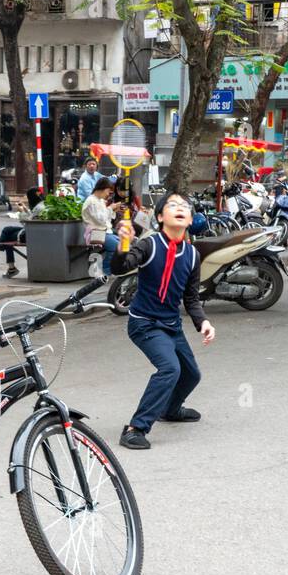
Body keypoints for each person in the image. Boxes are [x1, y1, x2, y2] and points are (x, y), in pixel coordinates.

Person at [111, 194, 215, 451]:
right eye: (172, 206)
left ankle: (169, 409)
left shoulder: (192, 255)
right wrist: (123, 242)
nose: (179, 209)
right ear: (160, 217)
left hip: (171, 325)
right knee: (170, 369)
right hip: (144, 324)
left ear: (190, 219)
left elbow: (190, 298)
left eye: (184, 207)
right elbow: (121, 266)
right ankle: (136, 428)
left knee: (191, 374)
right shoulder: (149, 245)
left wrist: (203, 322)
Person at [0, 187, 43, 278]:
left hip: (30, 234)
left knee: (7, 235)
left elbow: (28, 223)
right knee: (7, 230)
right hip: (35, 232)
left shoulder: (39, 208)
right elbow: (33, 217)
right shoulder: (42, 205)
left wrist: (22, 212)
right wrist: (26, 209)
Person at [81, 177, 119, 276]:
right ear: (102, 188)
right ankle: (105, 270)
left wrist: (113, 210)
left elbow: (105, 219)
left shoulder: (100, 200)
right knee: (117, 246)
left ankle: (110, 268)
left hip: (104, 231)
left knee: (125, 243)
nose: (108, 194)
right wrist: (110, 208)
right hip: (96, 233)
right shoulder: (91, 201)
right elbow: (100, 219)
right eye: (108, 191)